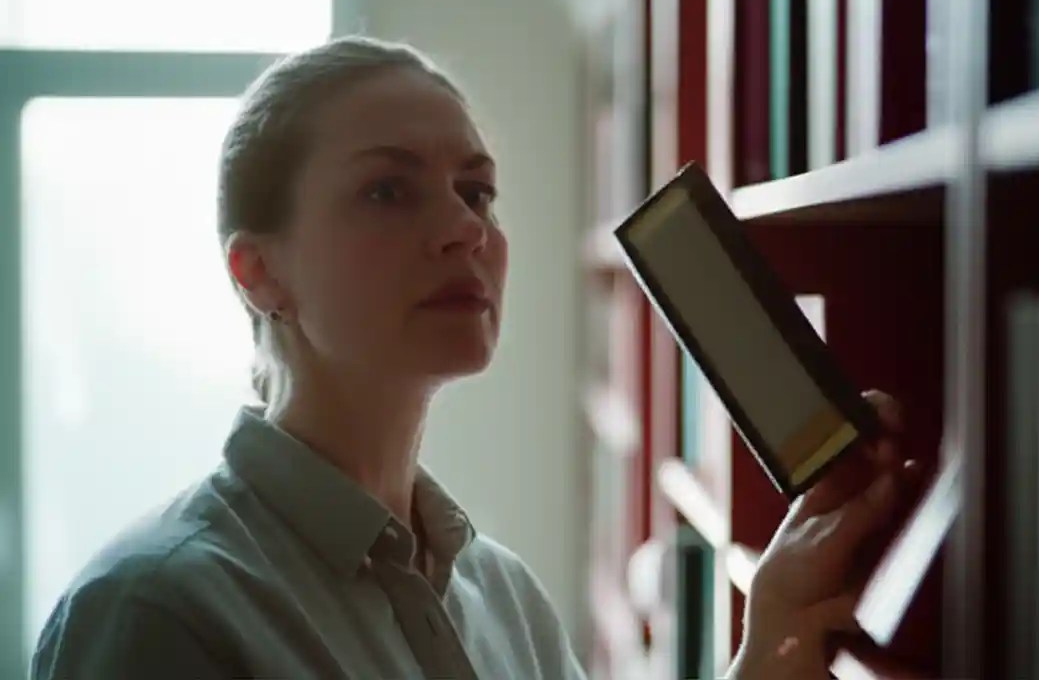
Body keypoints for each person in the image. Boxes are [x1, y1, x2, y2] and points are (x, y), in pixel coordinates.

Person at [29, 35, 913, 679]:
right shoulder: (154, 612)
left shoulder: (506, 598)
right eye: (388, 191)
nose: (464, 228)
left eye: (477, 191)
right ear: (259, 272)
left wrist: (771, 640)